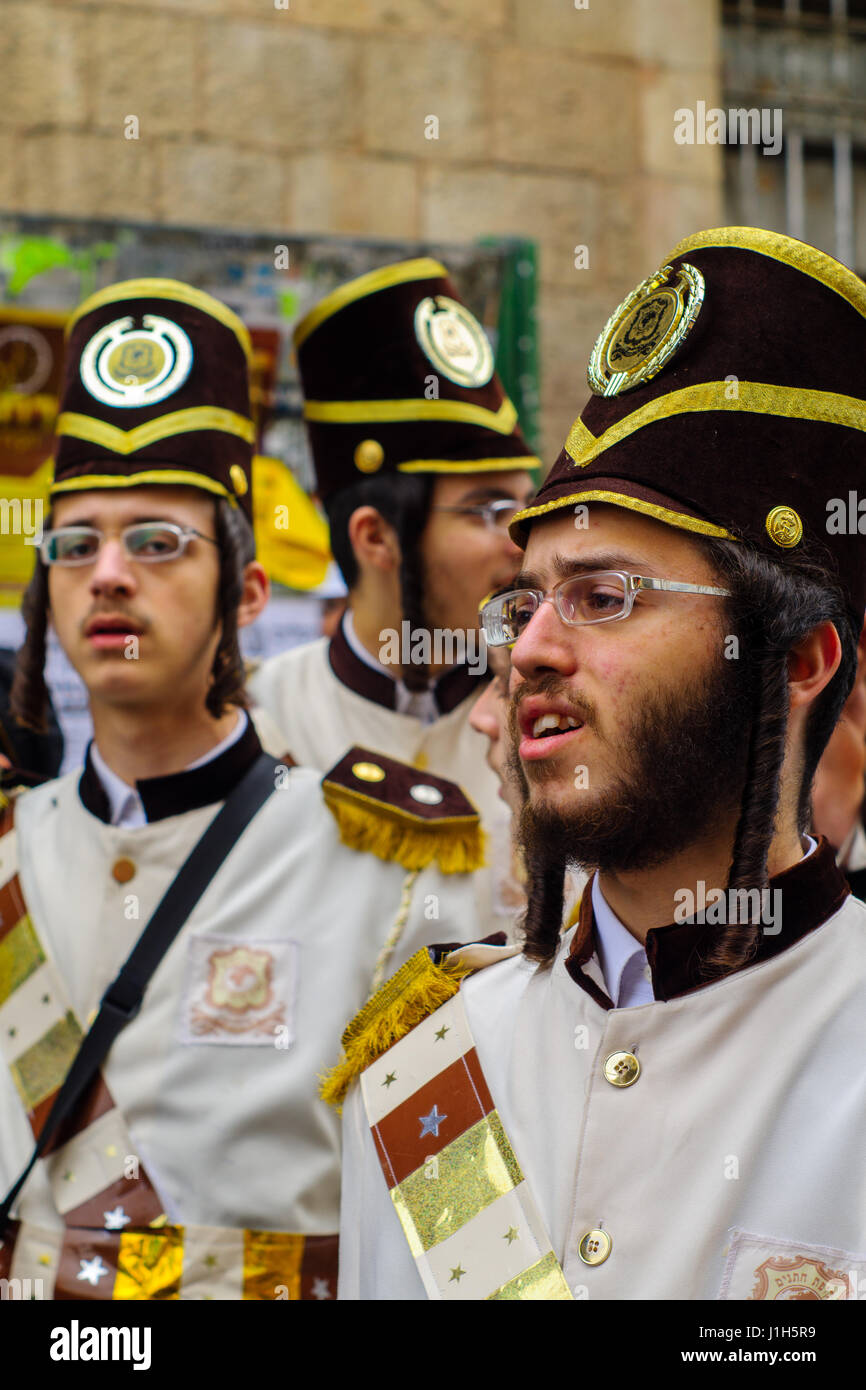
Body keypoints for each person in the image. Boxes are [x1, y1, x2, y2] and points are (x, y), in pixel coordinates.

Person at [335, 227, 866, 1301]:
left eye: (603, 596)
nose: (526, 649)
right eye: (522, 600)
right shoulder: (426, 1064)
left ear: (796, 659)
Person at [0, 278, 483, 1301]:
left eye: (158, 541)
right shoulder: (6, 849)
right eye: (75, 544)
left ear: (249, 591)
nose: (110, 574)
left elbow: (459, 1227)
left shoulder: (385, 864)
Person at [249, 259, 539, 930]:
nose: (522, 544)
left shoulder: (554, 728)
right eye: (486, 511)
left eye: (526, 510)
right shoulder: (258, 722)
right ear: (376, 538)